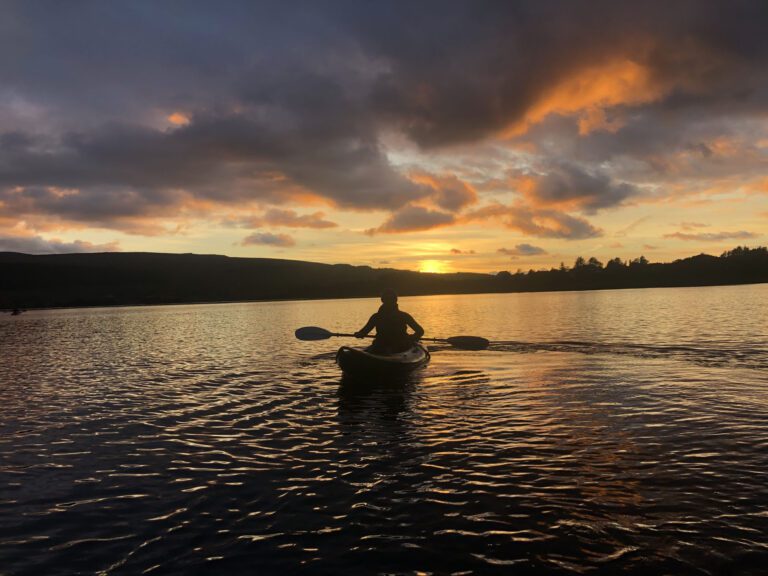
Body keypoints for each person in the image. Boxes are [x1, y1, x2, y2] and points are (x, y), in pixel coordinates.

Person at [355, 289, 424, 353]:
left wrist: (410, 339)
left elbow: (420, 331)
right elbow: (363, 332)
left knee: (385, 348)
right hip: (381, 346)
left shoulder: (403, 316)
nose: (389, 301)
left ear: (395, 300)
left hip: (400, 346)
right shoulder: (376, 317)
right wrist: (359, 334)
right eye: (387, 299)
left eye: (391, 299)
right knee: (380, 348)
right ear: (383, 300)